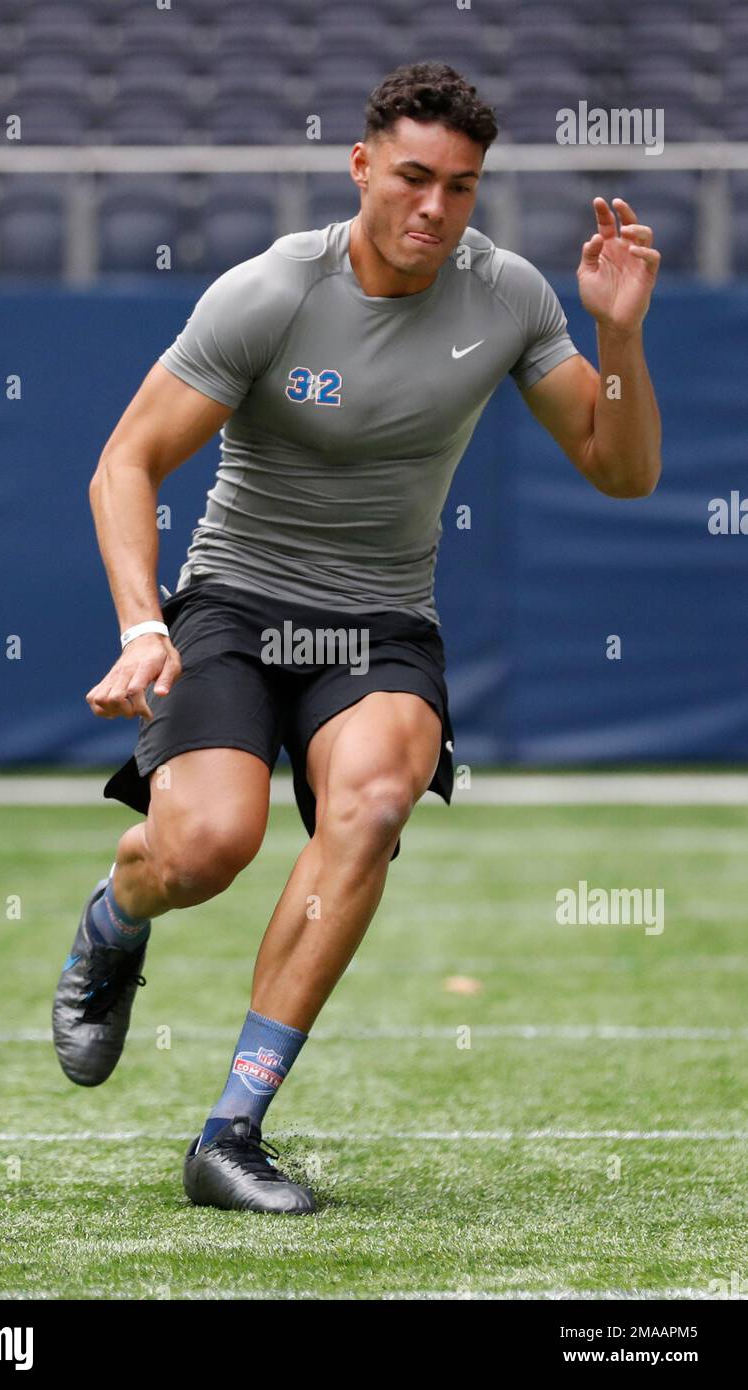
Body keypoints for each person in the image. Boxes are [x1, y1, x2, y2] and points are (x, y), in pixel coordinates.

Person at [52, 62, 661, 1214]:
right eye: (415, 179)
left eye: (462, 188)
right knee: (203, 848)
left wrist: (616, 338)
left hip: (380, 619)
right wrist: (143, 623)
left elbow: (621, 470)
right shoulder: (270, 290)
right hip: (232, 599)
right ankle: (111, 921)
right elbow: (122, 462)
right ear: (362, 166)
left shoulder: (509, 295)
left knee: (372, 804)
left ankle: (230, 1129)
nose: (434, 209)